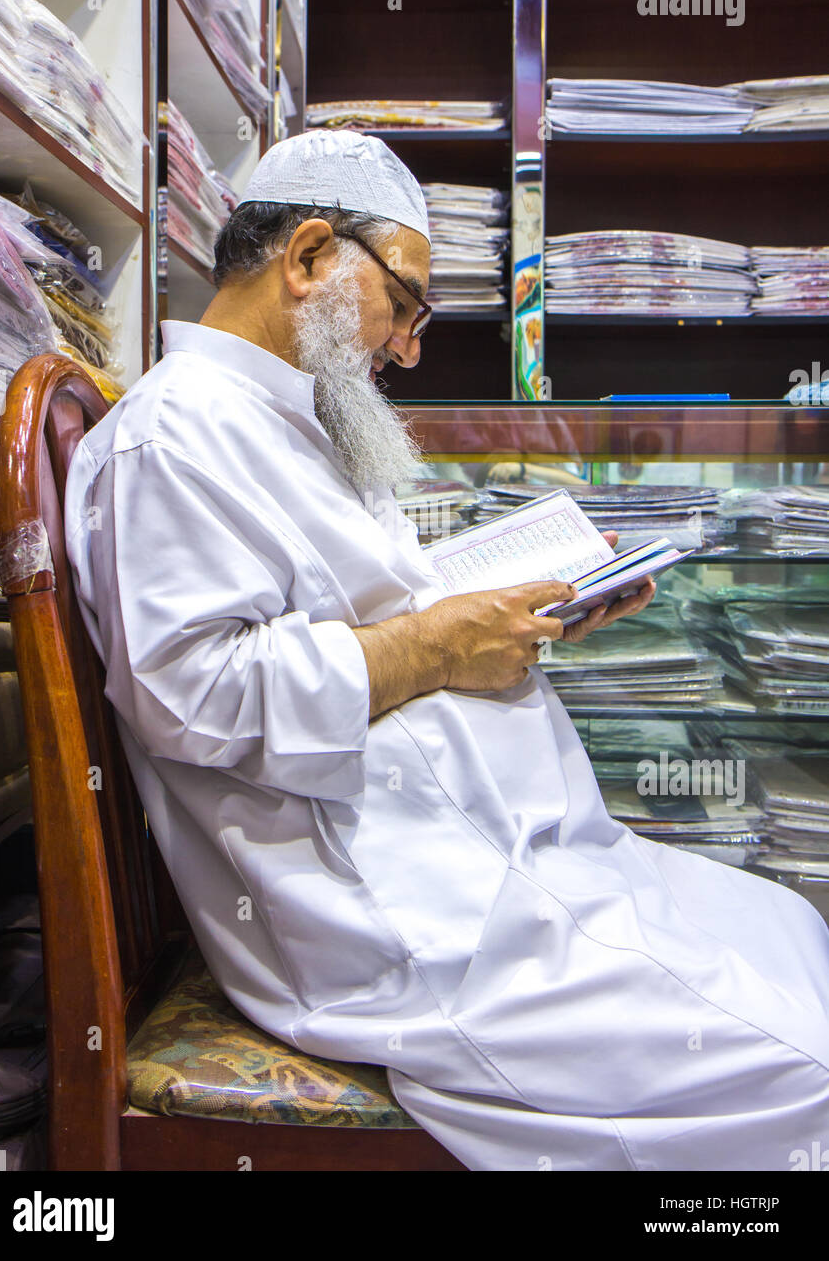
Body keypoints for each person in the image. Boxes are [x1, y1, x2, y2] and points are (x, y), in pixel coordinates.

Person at [64, 129, 829, 1171]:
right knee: (800, 1064)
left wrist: (506, 612)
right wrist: (434, 642)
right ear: (308, 257)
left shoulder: (287, 419)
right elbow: (191, 695)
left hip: (500, 858)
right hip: (406, 920)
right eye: (410, 303)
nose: (409, 346)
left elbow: (358, 610)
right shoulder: (178, 437)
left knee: (787, 929)